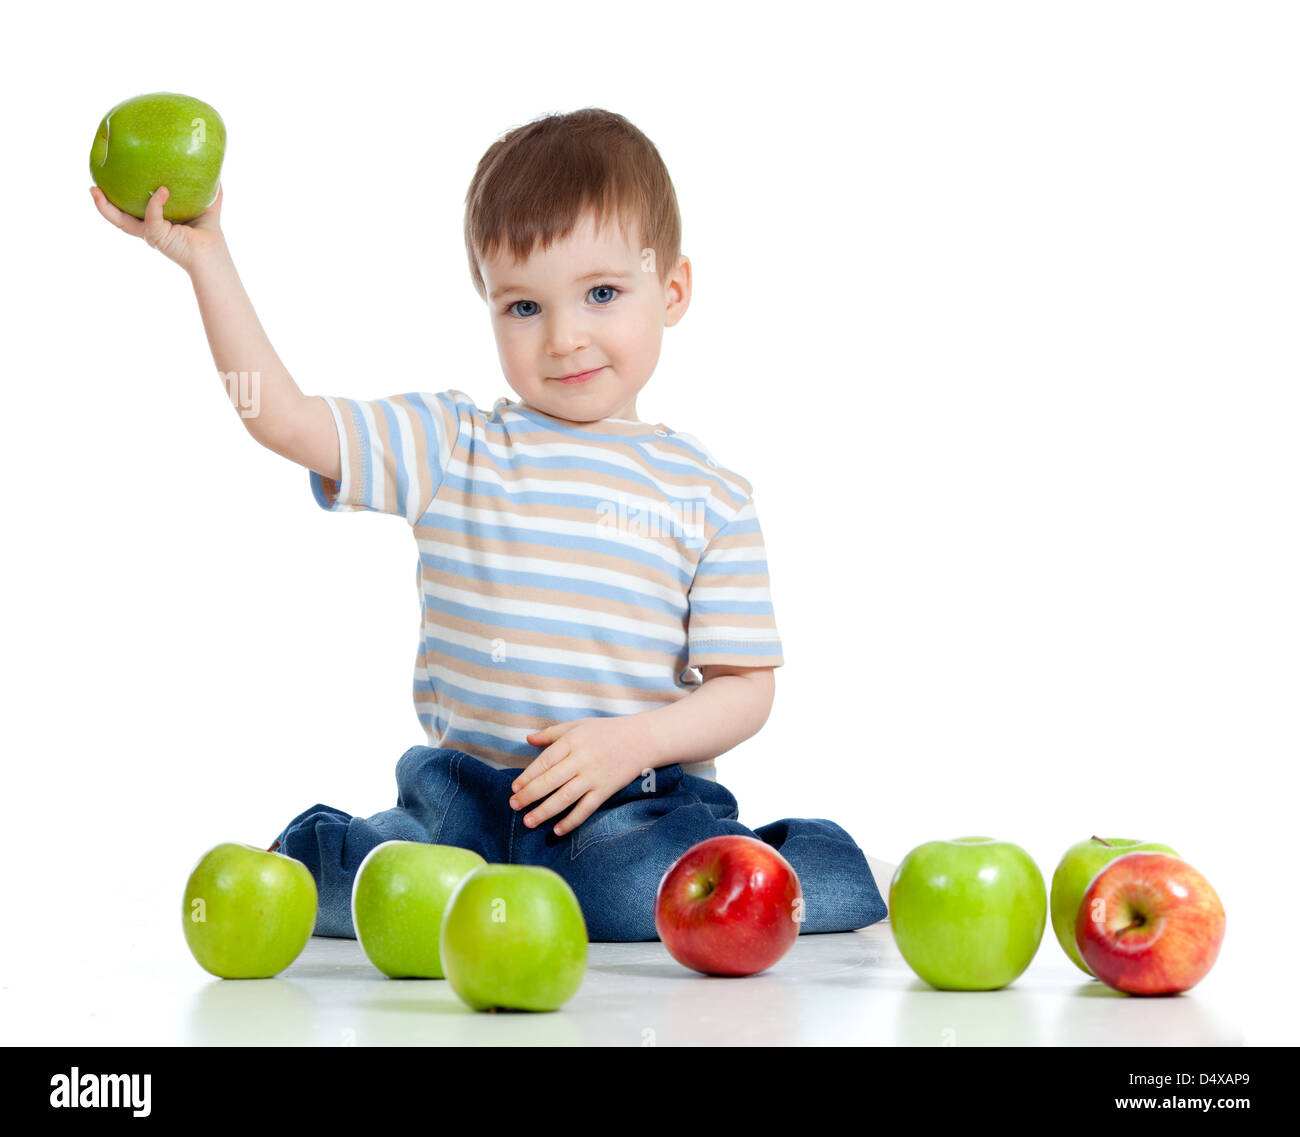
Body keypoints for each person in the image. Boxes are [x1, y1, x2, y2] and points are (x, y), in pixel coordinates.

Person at [91, 107, 890, 942]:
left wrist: (632, 744)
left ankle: (829, 868)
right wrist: (206, 260)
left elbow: (745, 687)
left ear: (674, 289)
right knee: (353, 891)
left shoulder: (708, 494)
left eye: (603, 294)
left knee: (638, 896)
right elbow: (281, 418)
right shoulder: (452, 443)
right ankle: (328, 855)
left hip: (627, 807)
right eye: (523, 307)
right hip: (464, 803)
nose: (565, 337)